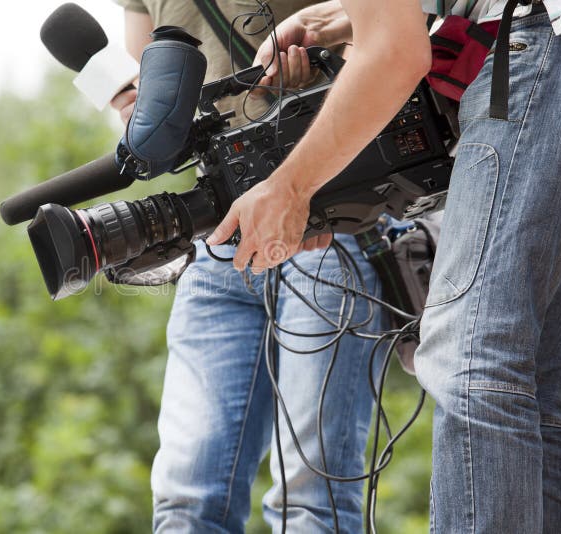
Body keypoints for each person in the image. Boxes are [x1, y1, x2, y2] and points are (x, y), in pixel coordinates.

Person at [207, 0, 561, 531]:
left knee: (471, 360)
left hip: (550, 39)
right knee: (536, 386)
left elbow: (395, 53)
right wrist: (341, 17)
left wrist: (290, 189)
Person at [110, 1, 388, 532]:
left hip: (326, 207)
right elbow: (151, 61)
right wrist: (140, 110)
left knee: (313, 495)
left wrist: (326, 60)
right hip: (222, 224)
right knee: (186, 499)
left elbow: (386, 32)